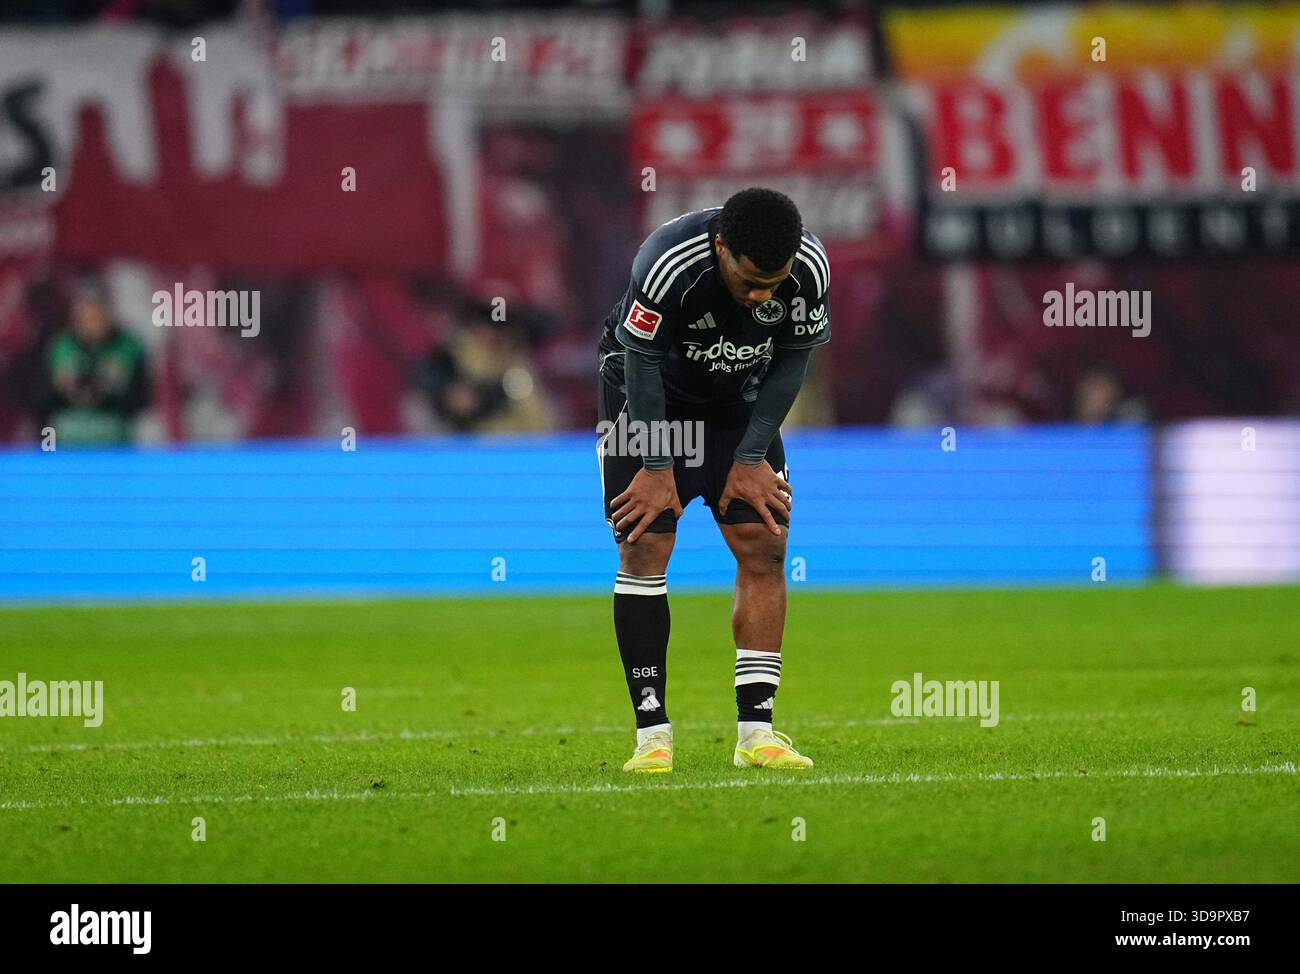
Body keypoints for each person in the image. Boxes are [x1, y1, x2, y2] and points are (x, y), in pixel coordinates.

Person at [596, 187, 830, 773]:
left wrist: (752, 456)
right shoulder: (669, 261)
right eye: (750, 281)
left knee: (765, 544)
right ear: (722, 247)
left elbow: (793, 361)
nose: (762, 297)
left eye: (773, 285)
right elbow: (640, 363)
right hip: (648, 399)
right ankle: (652, 735)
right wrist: (655, 466)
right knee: (645, 543)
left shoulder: (808, 269)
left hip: (737, 405)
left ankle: (758, 733)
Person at [42, 279, 150, 446]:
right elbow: (39, 397)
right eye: (85, 314)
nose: (90, 320)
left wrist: (111, 389)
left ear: (108, 314)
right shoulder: (61, 346)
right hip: (68, 442)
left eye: (96, 313)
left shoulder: (128, 346)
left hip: (114, 440)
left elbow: (143, 397)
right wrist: (63, 388)